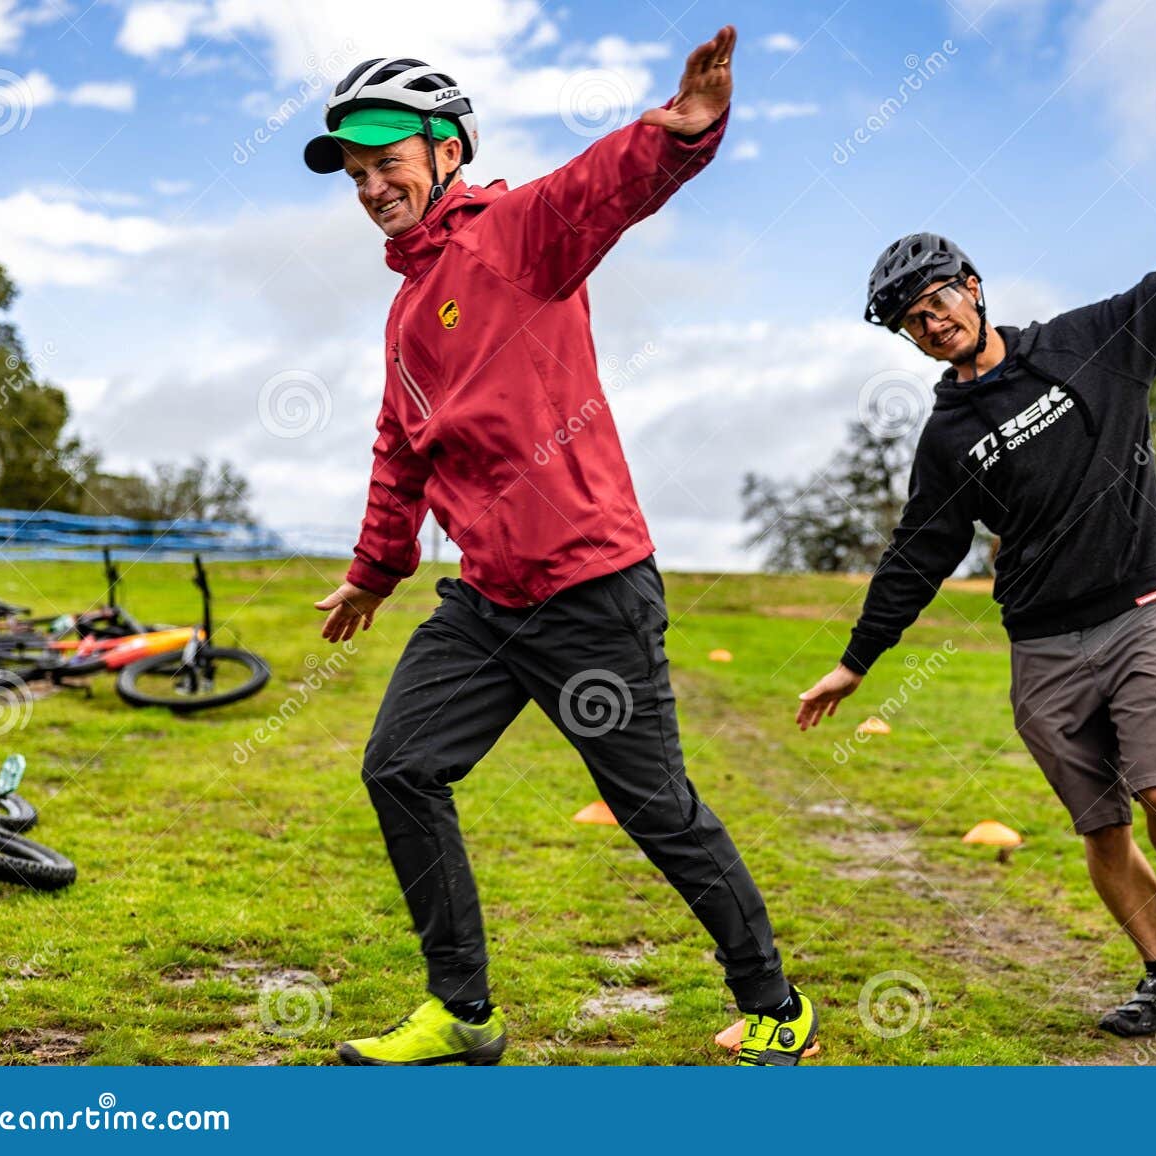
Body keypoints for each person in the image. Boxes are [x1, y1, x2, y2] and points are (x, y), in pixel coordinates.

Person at [308, 29, 816, 1067]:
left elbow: (600, 188)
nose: (369, 185)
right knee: (400, 767)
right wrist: (374, 571)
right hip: (487, 600)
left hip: (590, 588)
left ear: (447, 148)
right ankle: (461, 1010)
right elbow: (399, 452)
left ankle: (775, 1003)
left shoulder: (510, 235)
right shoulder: (408, 313)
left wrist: (679, 132)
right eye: (354, 173)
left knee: (654, 809)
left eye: (384, 160)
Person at [796, 120, 1156, 1037]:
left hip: (1136, 616)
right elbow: (917, 554)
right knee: (1102, 830)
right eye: (914, 322)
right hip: (1043, 649)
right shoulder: (946, 438)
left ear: (972, 287)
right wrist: (858, 660)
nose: (933, 325)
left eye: (938, 301)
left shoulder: (1096, 342)